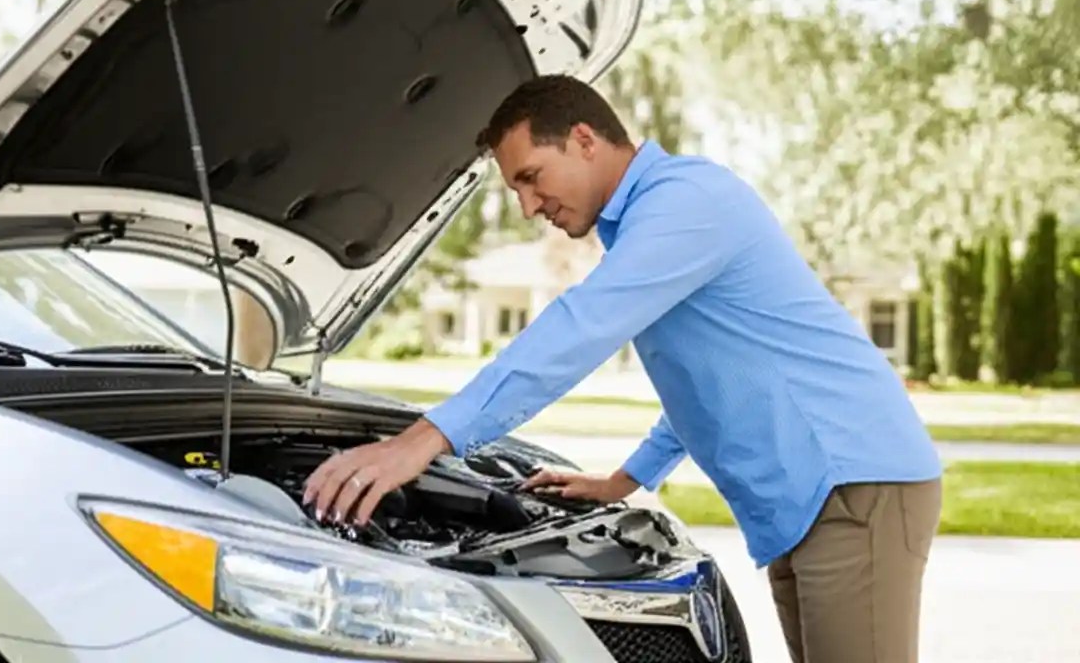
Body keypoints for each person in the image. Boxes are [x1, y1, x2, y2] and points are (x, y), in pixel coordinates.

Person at [303, 74, 943, 663]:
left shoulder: (687, 203)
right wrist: (626, 479)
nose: (529, 207)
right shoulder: (648, 222)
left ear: (584, 139)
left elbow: (576, 331)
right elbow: (708, 380)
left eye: (532, 176)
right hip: (819, 500)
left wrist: (423, 441)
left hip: (855, 485)